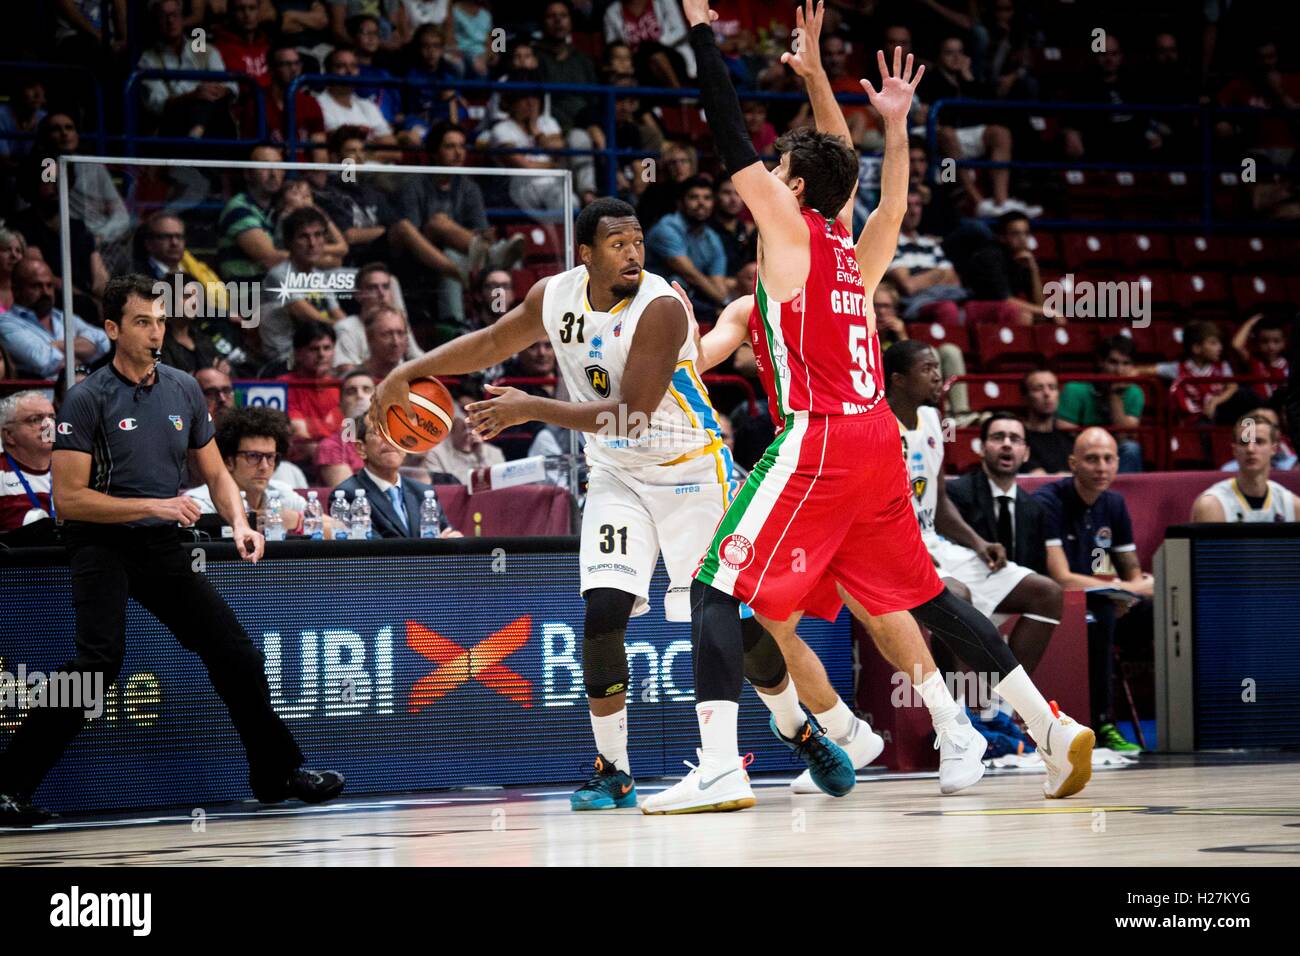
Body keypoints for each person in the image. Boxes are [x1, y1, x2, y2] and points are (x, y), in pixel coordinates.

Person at [665, 0, 1092, 812]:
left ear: (789, 187)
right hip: (875, 441)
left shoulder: (787, 238)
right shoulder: (849, 246)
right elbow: (865, 182)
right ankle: (1047, 725)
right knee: (925, 595)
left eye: (780, 171)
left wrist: (699, 31)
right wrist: (883, 116)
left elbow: (730, 134)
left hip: (820, 436)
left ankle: (719, 763)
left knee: (714, 586)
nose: (772, 175)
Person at [370, 196, 814, 812]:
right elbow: (494, 340)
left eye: (638, 242)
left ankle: (797, 728)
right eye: (618, 244)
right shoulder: (555, 296)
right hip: (614, 475)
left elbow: (630, 415)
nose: (633, 253)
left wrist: (531, 407)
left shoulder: (658, 307)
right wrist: (408, 370)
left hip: (689, 471)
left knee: (726, 621)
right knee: (602, 616)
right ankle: (615, 770)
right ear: (585, 254)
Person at [0, 275, 344, 827]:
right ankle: (8, 787)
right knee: (98, 664)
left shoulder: (183, 388)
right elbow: (68, 500)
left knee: (235, 651)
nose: (155, 332)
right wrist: (155, 506)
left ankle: (277, 773)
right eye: (142, 322)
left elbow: (214, 471)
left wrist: (237, 521)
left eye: (160, 321)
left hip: (160, 546)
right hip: (100, 543)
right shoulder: (87, 398)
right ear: (112, 329)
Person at [886, 343, 1064, 756]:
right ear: (897, 379)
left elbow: (940, 500)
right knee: (955, 597)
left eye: (936, 367)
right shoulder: (878, 427)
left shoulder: (932, 419)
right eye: (927, 368)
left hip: (936, 545)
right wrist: (912, 548)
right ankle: (954, 722)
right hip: (895, 552)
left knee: (1046, 593)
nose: (936, 375)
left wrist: (979, 542)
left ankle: (994, 710)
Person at [1033, 427, 1151, 753]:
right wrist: (1124, 589)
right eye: (1092, 459)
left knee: (1166, 610)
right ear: (1073, 463)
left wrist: (1125, 594)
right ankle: (1102, 723)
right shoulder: (1049, 502)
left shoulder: (1113, 504)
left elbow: (1132, 569)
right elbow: (1062, 578)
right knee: (1099, 615)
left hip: (1104, 599)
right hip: (1055, 606)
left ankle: (1184, 729)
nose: (1101, 467)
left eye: (1108, 459)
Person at [184, 404, 335, 538]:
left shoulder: (281, 492)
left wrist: (298, 521)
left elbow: (342, 529)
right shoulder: (201, 501)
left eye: (270, 457)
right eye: (253, 456)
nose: (264, 466)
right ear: (229, 461)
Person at [333, 413, 460, 538]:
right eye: (378, 432)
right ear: (361, 449)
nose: (389, 439)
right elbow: (372, 550)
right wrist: (434, 547)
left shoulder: (422, 492)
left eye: (395, 431)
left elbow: (448, 534)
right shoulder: (348, 496)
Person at [256, 207, 347, 364]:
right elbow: (311, 318)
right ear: (289, 243)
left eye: (318, 235)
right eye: (303, 237)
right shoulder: (278, 275)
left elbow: (338, 314)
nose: (312, 243)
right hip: (285, 359)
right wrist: (348, 329)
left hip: (317, 354)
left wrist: (352, 329)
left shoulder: (318, 276)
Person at [0, 258, 110, 380]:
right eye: (37, 286)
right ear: (16, 290)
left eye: (49, 285)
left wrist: (56, 345)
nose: (46, 292)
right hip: (40, 396)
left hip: (80, 392)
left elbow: (103, 342)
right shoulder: (5, 323)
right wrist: (85, 352)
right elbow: (44, 362)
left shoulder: (62, 316)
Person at [645, 175, 729, 322]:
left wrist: (724, 303)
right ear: (680, 203)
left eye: (707, 198)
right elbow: (691, 275)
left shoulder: (711, 237)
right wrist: (726, 305)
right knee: (678, 282)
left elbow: (719, 288)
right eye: (694, 197)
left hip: (691, 297)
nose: (701, 203)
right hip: (654, 299)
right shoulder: (666, 228)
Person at [1059, 335, 1145, 472]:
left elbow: (1123, 436)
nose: (1119, 370)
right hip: (1082, 452)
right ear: (1100, 362)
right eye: (1113, 362)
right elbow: (1065, 433)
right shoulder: (1074, 389)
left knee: (1131, 449)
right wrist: (1098, 449)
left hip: (1113, 453)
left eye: (1126, 363)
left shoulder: (1135, 392)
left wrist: (1115, 395)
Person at [1193, 414, 1299, 522]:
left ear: (1274, 449)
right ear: (1234, 450)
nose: (1250, 449)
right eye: (1244, 442)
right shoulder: (1212, 505)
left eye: (1259, 441)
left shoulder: (1293, 506)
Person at [217, 143, 290, 282]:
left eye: (278, 165)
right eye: (265, 166)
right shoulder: (238, 208)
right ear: (248, 174)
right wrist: (320, 258)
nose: (273, 173)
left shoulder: (278, 209)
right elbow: (270, 259)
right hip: (247, 297)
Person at [277, 320, 342, 469]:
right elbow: (300, 435)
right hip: (298, 463)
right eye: (314, 349)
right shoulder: (284, 386)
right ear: (298, 354)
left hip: (339, 455)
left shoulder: (340, 386)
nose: (321, 354)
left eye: (327, 348)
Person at [0, 390, 55, 531]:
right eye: (35, 419)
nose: (47, 425)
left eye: (52, 417)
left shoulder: (72, 468)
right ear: (8, 435)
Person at [316, 368, 373, 486]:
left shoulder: (390, 440)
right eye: (351, 391)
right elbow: (349, 494)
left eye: (366, 390)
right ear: (341, 404)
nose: (360, 395)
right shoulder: (330, 447)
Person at [424, 397, 504, 479]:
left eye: (475, 411)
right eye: (463, 411)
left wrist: (481, 459)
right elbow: (442, 488)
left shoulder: (495, 453)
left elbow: (499, 487)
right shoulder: (434, 453)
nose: (470, 418)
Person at [1021, 368, 1074, 474]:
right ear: (1026, 397)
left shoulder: (1069, 436)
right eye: (1038, 388)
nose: (1047, 394)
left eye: (1052, 387)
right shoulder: (1019, 437)